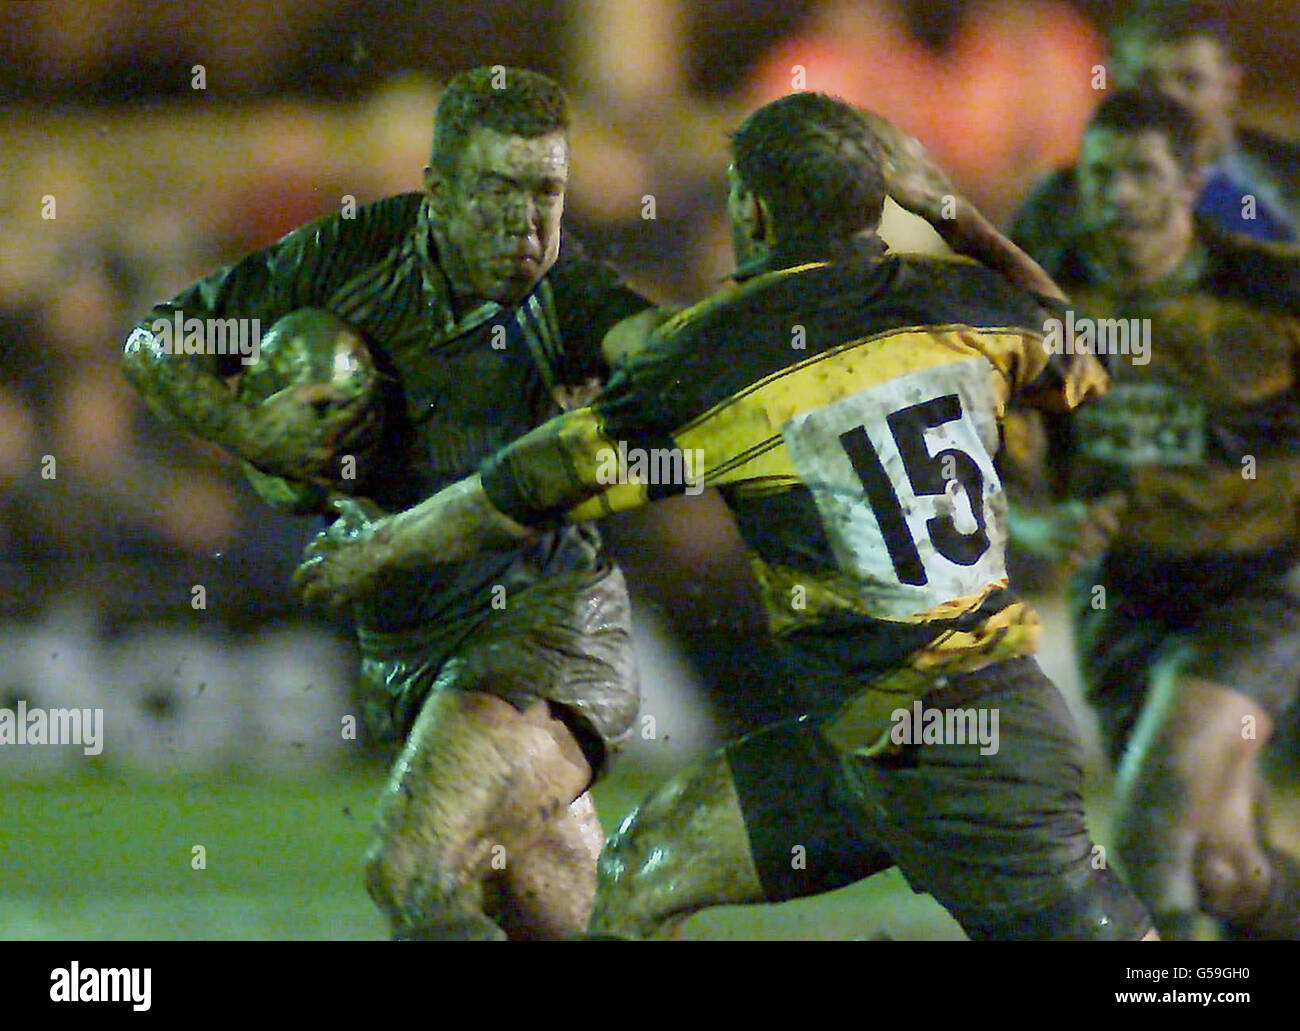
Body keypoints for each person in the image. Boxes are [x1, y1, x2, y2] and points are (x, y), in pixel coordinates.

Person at [294, 92, 1157, 941]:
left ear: (751, 205)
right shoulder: (965, 303)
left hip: (963, 756)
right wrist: (958, 216)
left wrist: (382, 545)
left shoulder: (721, 351)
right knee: (638, 875)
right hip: (874, 744)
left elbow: (517, 491)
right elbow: (1082, 346)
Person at [120, 66, 665, 941]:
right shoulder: (346, 258)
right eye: (497, 190)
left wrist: (669, 369)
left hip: (544, 633)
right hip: (410, 651)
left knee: (411, 868)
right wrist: (248, 430)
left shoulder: (570, 300)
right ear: (438, 190)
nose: (525, 224)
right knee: (576, 924)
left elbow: (656, 344)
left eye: (546, 192)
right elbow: (158, 342)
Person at [1005, 88, 1300, 940]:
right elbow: (991, 451)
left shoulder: (1267, 294)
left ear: (1193, 183)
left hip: (1259, 588)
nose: (1121, 196)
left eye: (1142, 173)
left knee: (1152, 808)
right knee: (1222, 868)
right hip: (1124, 600)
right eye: (1102, 175)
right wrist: (1037, 527)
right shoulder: (1045, 299)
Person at [1010, 0, 1300, 265]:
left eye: (1190, 80)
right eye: (1146, 80)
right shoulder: (1057, 203)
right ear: (1115, 79)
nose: (1169, 98)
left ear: (1229, 85)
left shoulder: (1287, 179)